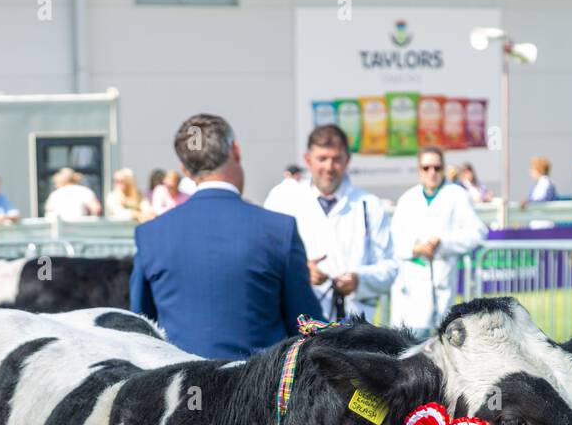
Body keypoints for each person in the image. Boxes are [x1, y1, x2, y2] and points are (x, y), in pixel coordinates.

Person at [130, 112, 319, 360]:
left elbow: (140, 331)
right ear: (236, 151)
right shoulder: (279, 230)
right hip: (257, 393)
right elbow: (307, 327)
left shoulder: (150, 235)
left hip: (180, 391)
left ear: (185, 169)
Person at [264, 123, 397, 322]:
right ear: (308, 160)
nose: (329, 167)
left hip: (354, 327)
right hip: (300, 324)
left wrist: (359, 280)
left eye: (336, 159)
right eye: (322, 159)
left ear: (347, 160)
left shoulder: (369, 205)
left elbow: (389, 269)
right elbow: (267, 262)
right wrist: (302, 271)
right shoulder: (285, 202)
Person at [390, 146, 486, 337]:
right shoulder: (407, 199)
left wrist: (442, 241)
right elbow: (394, 239)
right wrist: (415, 248)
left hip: (441, 283)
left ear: (443, 168)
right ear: (419, 170)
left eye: (437, 167)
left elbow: (477, 233)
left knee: (439, 346)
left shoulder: (457, 195)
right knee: (407, 344)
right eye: (426, 168)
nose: (432, 172)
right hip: (409, 287)